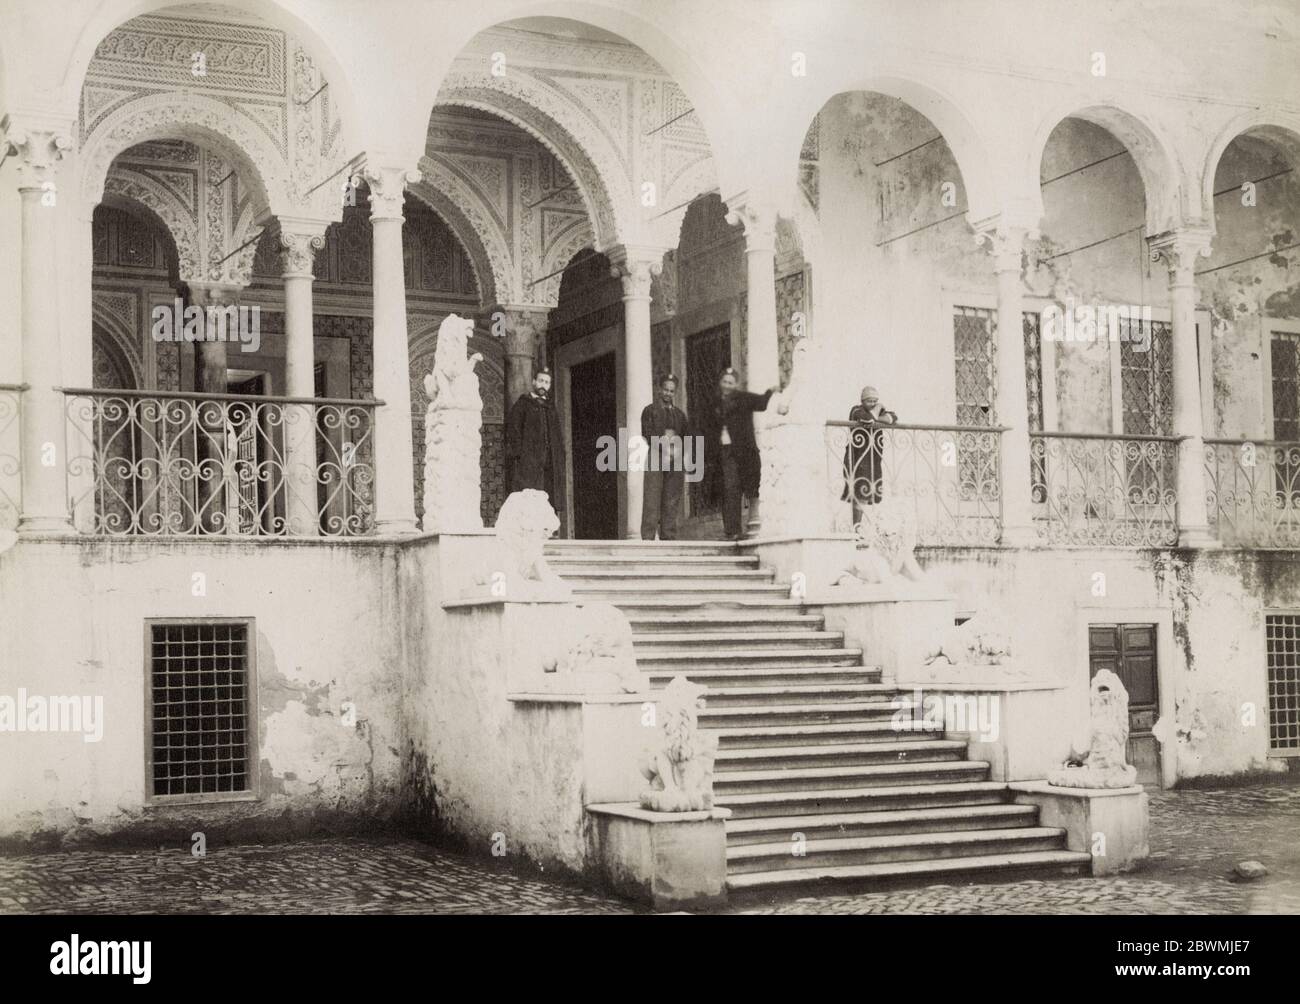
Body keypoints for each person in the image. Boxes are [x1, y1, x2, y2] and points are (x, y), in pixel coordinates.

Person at [705, 368, 775, 541]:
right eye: (724, 382)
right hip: (723, 452)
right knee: (729, 490)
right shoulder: (713, 403)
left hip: (742, 451)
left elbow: (762, 403)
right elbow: (706, 427)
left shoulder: (743, 398)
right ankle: (732, 531)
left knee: (748, 488)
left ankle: (749, 527)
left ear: (735, 384)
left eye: (730, 382)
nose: (727, 386)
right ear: (720, 383)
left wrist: (771, 391)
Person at [505, 368, 565, 519]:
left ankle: (548, 530)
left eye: (547, 382)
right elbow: (513, 430)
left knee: (549, 492)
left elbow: (558, 436)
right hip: (529, 461)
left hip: (549, 461)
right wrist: (519, 454)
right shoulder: (523, 404)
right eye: (540, 381)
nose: (543, 385)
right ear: (533, 382)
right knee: (529, 494)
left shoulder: (551, 408)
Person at [641, 374, 690, 540]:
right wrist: (663, 444)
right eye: (665, 389)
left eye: (671, 391)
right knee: (652, 498)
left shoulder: (680, 415)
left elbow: (685, 435)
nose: (668, 393)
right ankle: (648, 537)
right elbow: (647, 433)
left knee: (671, 499)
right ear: (659, 389)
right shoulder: (650, 410)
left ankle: (668, 536)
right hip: (656, 456)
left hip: (675, 458)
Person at [841, 384, 898, 525]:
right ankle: (857, 527)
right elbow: (867, 420)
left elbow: (893, 417)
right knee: (859, 493)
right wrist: (878, 411)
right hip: (858, 459)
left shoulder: (876, 411)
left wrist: (878, 415)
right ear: (862, 401)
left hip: (873, 459)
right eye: (869, 401)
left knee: (869, 494)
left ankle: (865, 529)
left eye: (875, 401)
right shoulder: (856, 410)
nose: (872, 404)